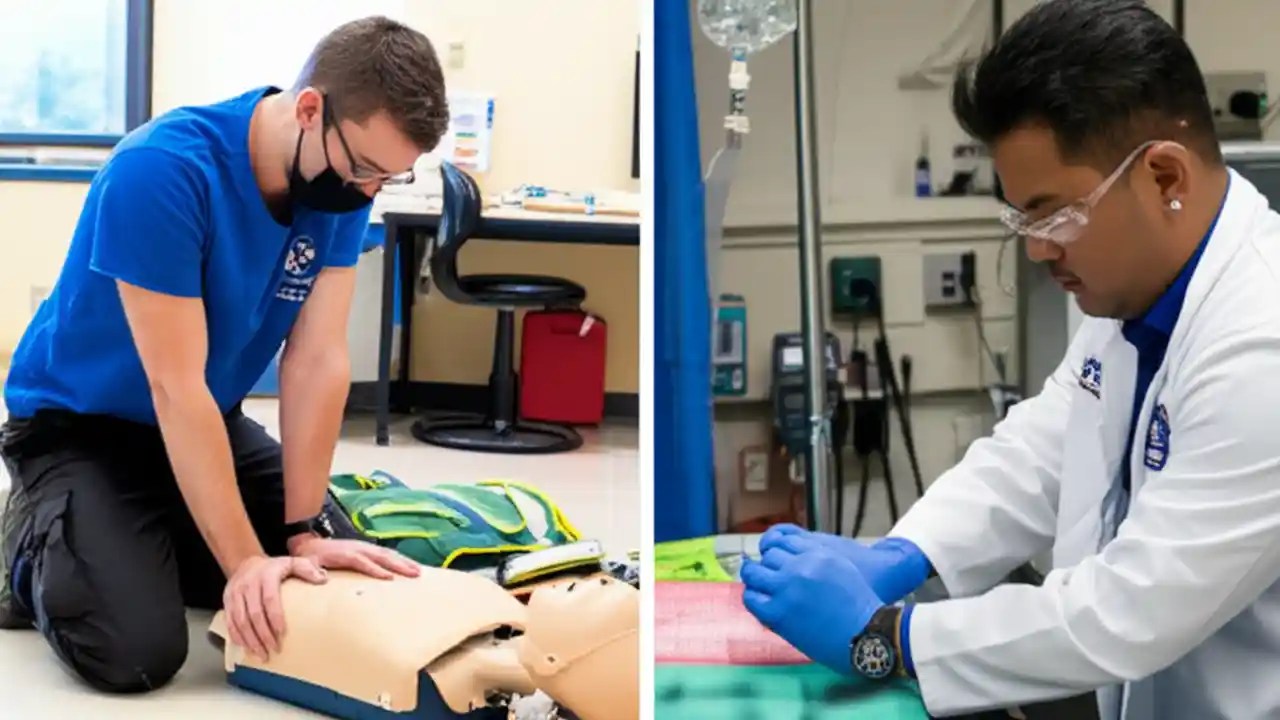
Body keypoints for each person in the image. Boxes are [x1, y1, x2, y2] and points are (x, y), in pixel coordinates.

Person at [741, 2, 1280, 719]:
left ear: (1165, 178)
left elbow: (1129, 609)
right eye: (1022, 217)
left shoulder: (1260, 345)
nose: (1036, 248)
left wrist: (886, 637)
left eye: (1055, 215)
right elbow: (1043, 447)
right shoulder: (1138, 296)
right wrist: (907, 555)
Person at [0, 16, 449, 693]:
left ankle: (140, 536)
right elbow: (173, 386)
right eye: (364, 168)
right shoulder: (162, 172)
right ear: (308, 109)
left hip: (208, 418)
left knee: (335, 576)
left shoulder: (341, 180)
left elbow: (317, 359)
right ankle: (31, 543)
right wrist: (241, 561)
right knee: (136, 652)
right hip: (82, 431)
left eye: (388, 177)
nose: (366, 192)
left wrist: (302, 528)